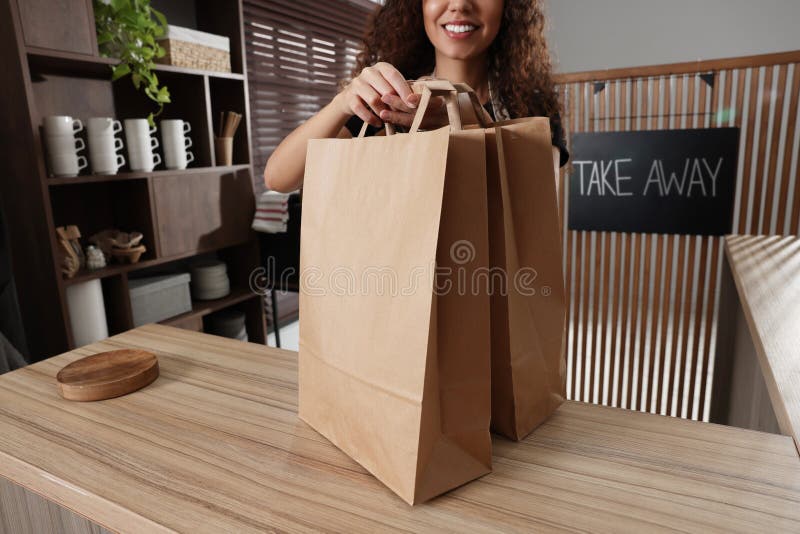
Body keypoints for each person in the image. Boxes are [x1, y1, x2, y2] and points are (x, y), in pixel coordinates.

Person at [264, 0, 569, 193]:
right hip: (398, 287)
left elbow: (539, 205)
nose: (460, 5)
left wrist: (469, 120)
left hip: (485, 288)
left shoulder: (531, 107)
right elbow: (279, 179)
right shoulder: (390, 100)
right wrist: (343, 102)